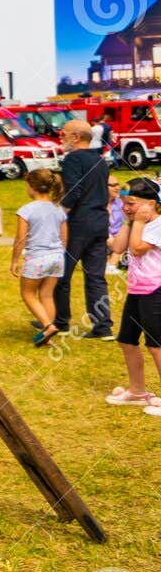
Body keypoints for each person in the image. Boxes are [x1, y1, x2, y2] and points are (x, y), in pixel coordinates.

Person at [53, 119, 114, 339]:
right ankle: (103, 326)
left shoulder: (73, 159)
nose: (61, 138)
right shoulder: (100, 160)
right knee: (96, 277)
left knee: (62, 275)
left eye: (63, 134)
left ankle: (60, 322)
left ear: (76, 137)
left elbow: (74, 192)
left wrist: (57, 215)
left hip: (78, 224)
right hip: (99, 222)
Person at [106, 177, 161, 412]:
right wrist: (131, 222)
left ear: (151, 203)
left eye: (131, 203)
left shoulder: (158, 225)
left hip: (156, 290)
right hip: (137, 290)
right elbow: (118, 248)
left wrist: (137, 222)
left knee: (156, 345)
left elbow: (137, 249)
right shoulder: (134, 223)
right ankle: (137, 391)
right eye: (123, 203)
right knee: (127, 340)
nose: (126, 208)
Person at [11, 169, 67, 346]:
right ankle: (47, 335)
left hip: (36, 258)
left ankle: (48, 326)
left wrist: (14, 260)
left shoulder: (26, 210)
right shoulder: (58, 209)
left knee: (28, 294)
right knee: (47, 295)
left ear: (32, 186)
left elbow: (20, 239)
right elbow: (64, 238)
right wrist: (59, 253)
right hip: (57, 257)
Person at [107, 174, 127, 275]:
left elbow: (133, 193)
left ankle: (111, 265)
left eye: (117, 184)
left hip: (119, 239)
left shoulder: (121, 200)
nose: (117, 188)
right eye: (113, 185)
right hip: (103, 238)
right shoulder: (96, 204)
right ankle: (111, 265)